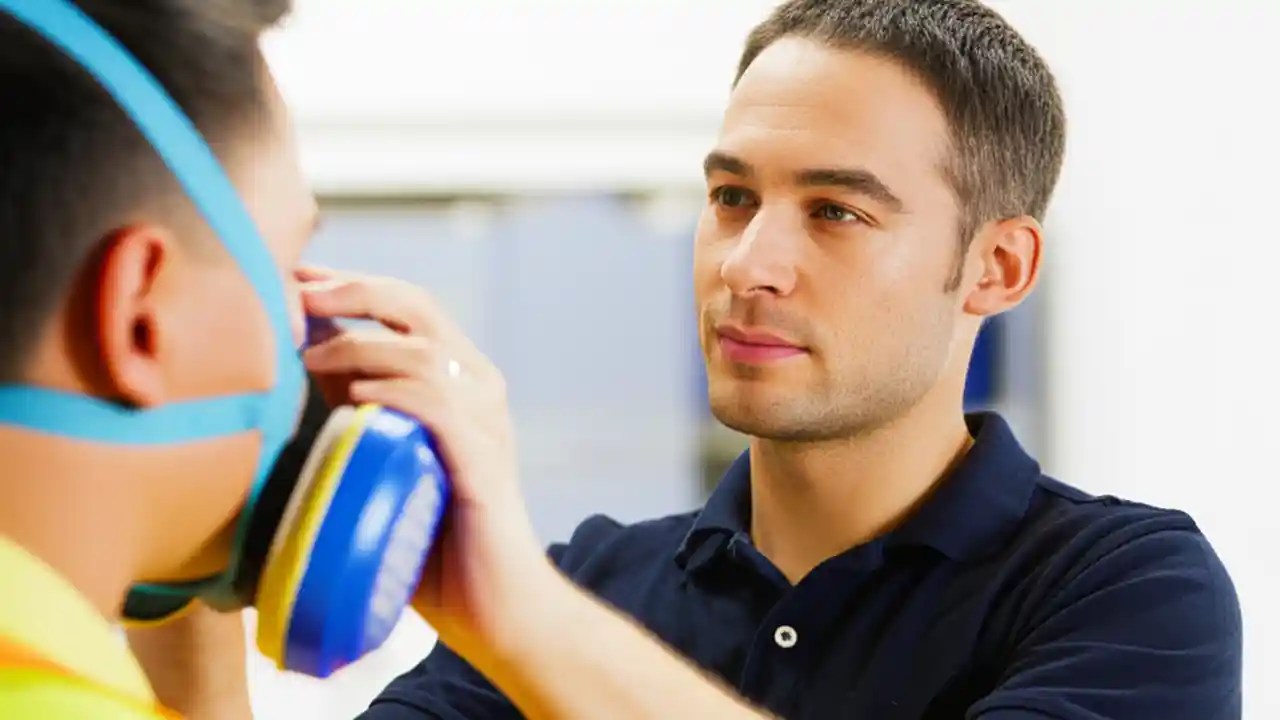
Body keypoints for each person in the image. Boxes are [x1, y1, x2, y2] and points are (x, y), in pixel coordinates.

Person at [8, 3, 1241, 720]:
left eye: (835, 212)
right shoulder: (584, 584)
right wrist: (213, 549)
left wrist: (522, 617)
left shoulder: (1126, 589)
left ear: (998, 269)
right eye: (728, 195)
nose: (747, 263)